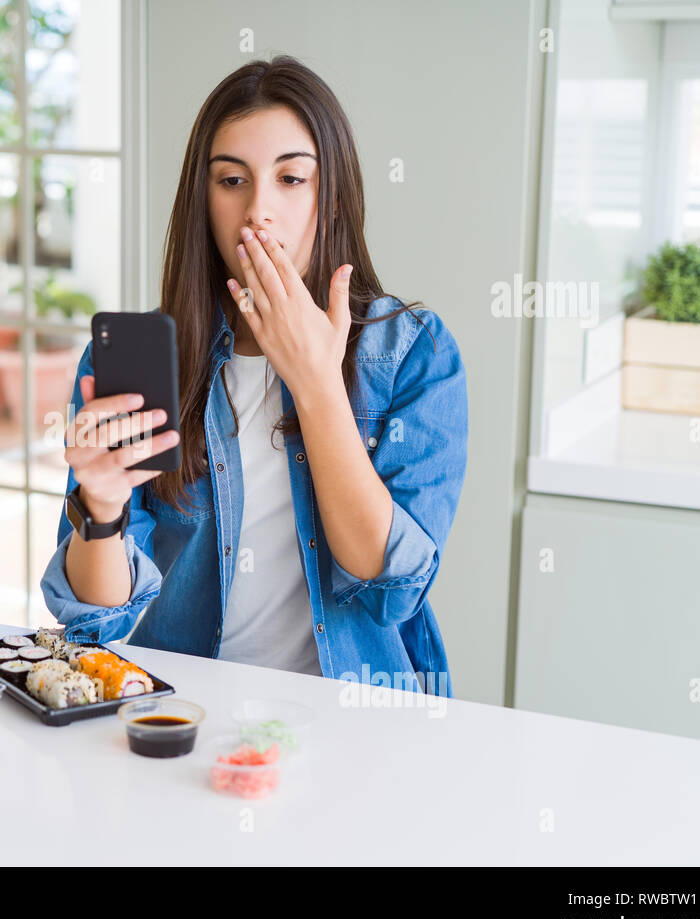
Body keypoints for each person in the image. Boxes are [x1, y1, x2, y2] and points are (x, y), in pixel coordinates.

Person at [39, 55, 467, 697]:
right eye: (232, 180)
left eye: (292, 178)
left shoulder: (412, 353)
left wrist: (316, 381)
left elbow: (388, 583)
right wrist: (100, 509)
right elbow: (97, 619)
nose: (258, 210)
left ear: (334, 195)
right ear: (202, 198)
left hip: (353, 716)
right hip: (186, 714)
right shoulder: (134, 364)